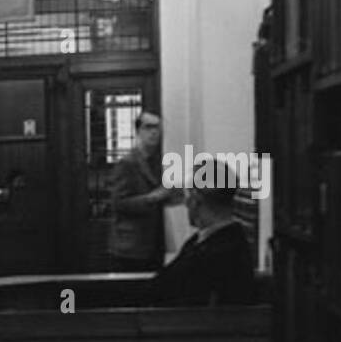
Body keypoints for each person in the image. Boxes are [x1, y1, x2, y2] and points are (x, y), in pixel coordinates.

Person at [143, 171, 257, 306]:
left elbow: (163, 292)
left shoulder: (212, 253)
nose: (185, 202)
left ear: (195, 200)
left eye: (187, 195)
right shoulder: (227, 239)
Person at [108, 111, 178, 271]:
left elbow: (160, 195)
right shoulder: (127, 163)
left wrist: (173, 195)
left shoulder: (158, 162)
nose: (154, 132)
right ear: (138, 131)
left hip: (154, 244)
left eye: (158, 128)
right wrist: (153, 197)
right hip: (130, 248)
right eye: (148, 127)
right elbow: (118, 203)